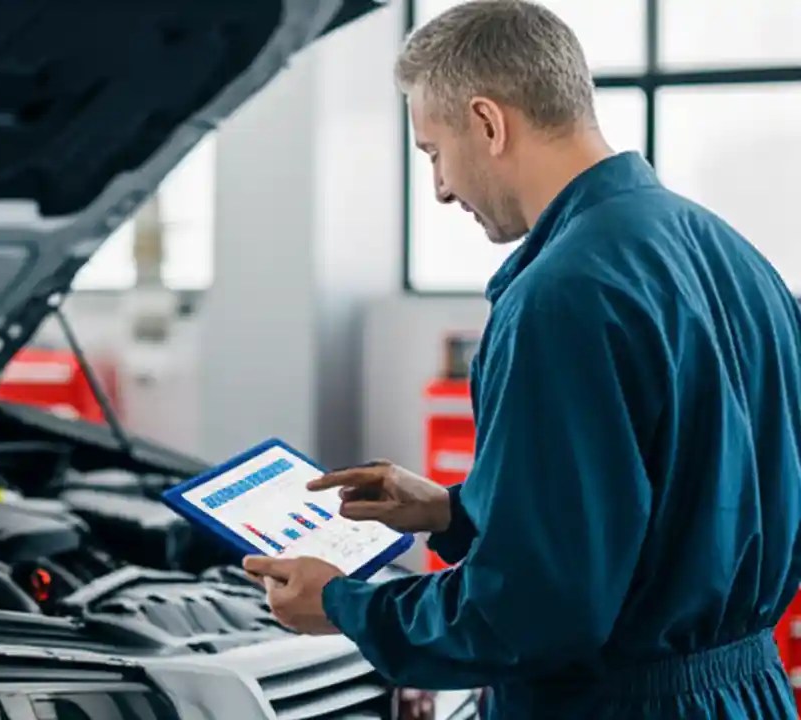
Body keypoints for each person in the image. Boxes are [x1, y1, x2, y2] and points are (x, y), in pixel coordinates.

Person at [243, 1, 801, 717]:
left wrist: (347, 606)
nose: (441, 188)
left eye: (433, 152)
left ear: (487, 122)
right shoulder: (732, 255)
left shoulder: (563, 294)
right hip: (746, 695)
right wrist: (452, 512)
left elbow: (536, 613)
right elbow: (667, 516)